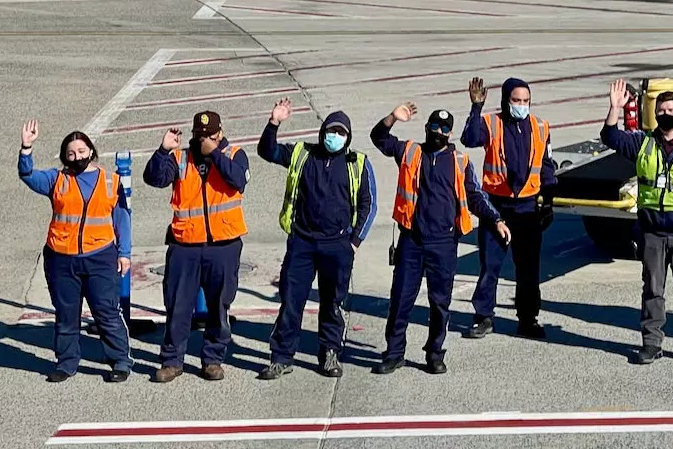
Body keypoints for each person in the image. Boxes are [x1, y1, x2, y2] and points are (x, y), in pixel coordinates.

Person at [369, 102, 506, 375]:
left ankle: (435, 353)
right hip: (412, 240)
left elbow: (476, 196)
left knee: (439, 302)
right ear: (426, 128)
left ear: (450, 133)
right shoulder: (410, 151)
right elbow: (379, 139)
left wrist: (497, 219)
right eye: (434, 127)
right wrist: (392, 118)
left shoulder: (459, 161)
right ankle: (395, 353)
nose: (438, 132)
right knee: (400, 299)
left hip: (444, 243)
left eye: (444, 129)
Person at [255, 99, 375, 381]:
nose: (335, 137)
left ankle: (330, 352)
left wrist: (355, 241)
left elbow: (368, 204)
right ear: (322, 132)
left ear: (348, 137)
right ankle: (281, 357)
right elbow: (267, 151)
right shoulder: (302, 153)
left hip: (338, 245)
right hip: (302, 243)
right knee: (291, 301)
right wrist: (274, 122)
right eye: (331, 131)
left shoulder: (357, 163)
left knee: (332, 302)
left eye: (341, 133)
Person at [600, 79, 673, 366]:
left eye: (671, 109)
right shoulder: (643, 142)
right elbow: (611, 138)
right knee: (653, 290)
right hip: (653, 231)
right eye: (661, 110)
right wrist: (614, 107)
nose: (666, 114)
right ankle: (652, 343)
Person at [18, 120, 132, 383]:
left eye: (81, 151)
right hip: (61, 258)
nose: (77, 157)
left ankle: (120, 361)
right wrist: (26, 148)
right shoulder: (56, 179)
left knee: (106, 312)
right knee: (66, 314)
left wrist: (124, 253)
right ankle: (67, 363)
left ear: (91, 151)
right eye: (71, 153)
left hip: (100, 257)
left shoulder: (110, 181)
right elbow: (28, 175)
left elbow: (122, 219)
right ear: (64, 157)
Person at [142, 110, 249, 383]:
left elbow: (237, 180)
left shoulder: (235, 154)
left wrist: (215, 153)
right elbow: (154, 179)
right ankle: (171, 361)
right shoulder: (180, 158)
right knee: (177, 306)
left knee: (218, 307)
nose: (204, 141)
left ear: (220, 133)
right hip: (184, 246)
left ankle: (213, 360)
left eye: (210, 136)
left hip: (223, 246)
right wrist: (162, 151)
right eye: (200, 136)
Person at [462, 76, 556, 340]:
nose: (522, 105)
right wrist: (476, 107)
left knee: (528, 269)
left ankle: (528, 319)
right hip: (497, 206)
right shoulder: (492, 123)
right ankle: (483, 317)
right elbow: (469, 139)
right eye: (516, 100)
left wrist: (548, 201)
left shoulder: (540, 126)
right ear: (506, 101)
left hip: (527, 208)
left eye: (526, 101)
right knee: (489, 265)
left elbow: (547, 165)